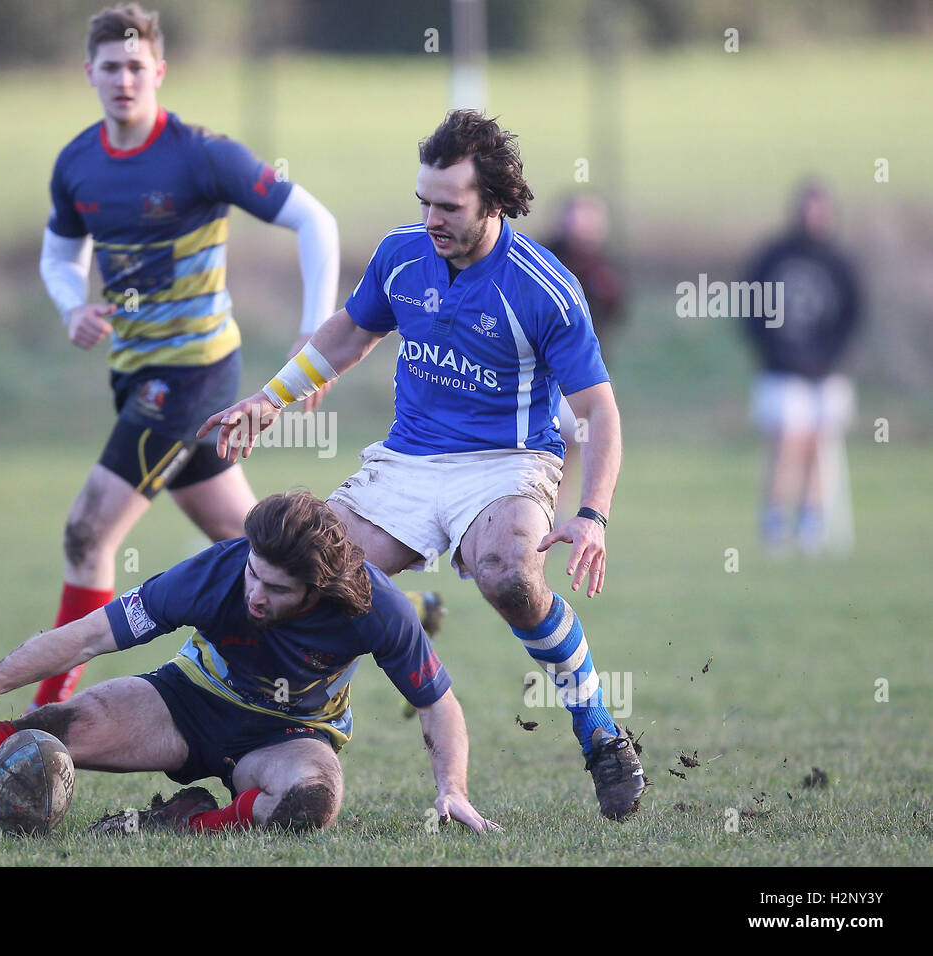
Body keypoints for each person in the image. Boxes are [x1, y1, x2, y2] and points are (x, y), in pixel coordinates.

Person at [200, 110, 647, 821]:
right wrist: (270, 397)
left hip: (508, 462)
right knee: (309, 573)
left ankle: (599, 732)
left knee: (507, 573)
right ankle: (269, 737)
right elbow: (349, 332)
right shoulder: (402, 255)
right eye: (424, 202)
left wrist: (592, 514)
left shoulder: (543, 286)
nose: (431, 217)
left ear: (492, 203)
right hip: (408, 461)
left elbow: (600, 411)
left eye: (449, 206)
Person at [0, 491, 498, 836]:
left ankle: (177, 823)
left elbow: (438, 702)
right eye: (253, 577)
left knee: (312, 801)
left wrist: (453, 789)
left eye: (277, 589)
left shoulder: (378, 608)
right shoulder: (215, 575)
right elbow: (89, 635)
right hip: (186, 703)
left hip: (289, 737)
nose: (255, 593)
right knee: (55, 727)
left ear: (317, 588)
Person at [30, 3, 344, 708]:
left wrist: (312, 329)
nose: (124, 79)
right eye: (110, 67)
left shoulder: (202, 154)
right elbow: (59, 253)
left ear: (159, 71)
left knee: (88, 531)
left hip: (194, 374)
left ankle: (44, 713)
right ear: (89, 73)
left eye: (136, 66)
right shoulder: (78, 162)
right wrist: (71, 306)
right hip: (135, 375)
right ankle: (389, 614)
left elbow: (313, 220)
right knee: (256, 548)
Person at [744, 181, 862, 554]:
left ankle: (812, 521)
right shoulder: (774, 256)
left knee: (819, 444)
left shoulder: (838, 262)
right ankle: (775, 519)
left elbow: (852, 315)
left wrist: (830, 357)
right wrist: (775, 353)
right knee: (788, 441)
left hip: (826, 371)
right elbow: (751, 308)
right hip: (781, 370)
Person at [543, 194, 627, 524]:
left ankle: (561, 507)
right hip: (548, 372)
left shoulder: (605, 266)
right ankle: (544, 506)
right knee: (551, 441)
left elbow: (618, 311)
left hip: (589, 371)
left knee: (576, 441)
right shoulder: (547, 258)